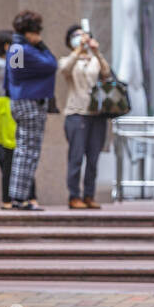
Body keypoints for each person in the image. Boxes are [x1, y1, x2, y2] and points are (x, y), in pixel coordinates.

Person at [5, 11, 56, 211]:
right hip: (30, 102)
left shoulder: (16, 47)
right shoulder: (24, 48)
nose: (40, 35)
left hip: (19, 101)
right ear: (30, 32)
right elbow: (51, 64)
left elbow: (15, 74)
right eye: (38, 31)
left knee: (23, 151)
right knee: (29, 152)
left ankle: (18, 196)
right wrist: (41, 46)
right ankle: (20, 198)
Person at [60, 24, 112, 209]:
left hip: (97, 114)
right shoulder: (68, 59)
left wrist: (97, 52)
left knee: (93, 157)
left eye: (84, 35)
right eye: (76, 35)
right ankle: (74, 195)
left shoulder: (95, 60)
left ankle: (89, 195)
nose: (81, 38)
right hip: (76, 113)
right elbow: (64, 70)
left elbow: (107, 73)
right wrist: (77, 51)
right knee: (76, 157)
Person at [0, 30, 20, 210]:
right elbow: (17, 72)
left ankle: (10, 196)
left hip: (1, 106)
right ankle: (8, 197)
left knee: (8, 153)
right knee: (10, 152)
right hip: (5, 105)